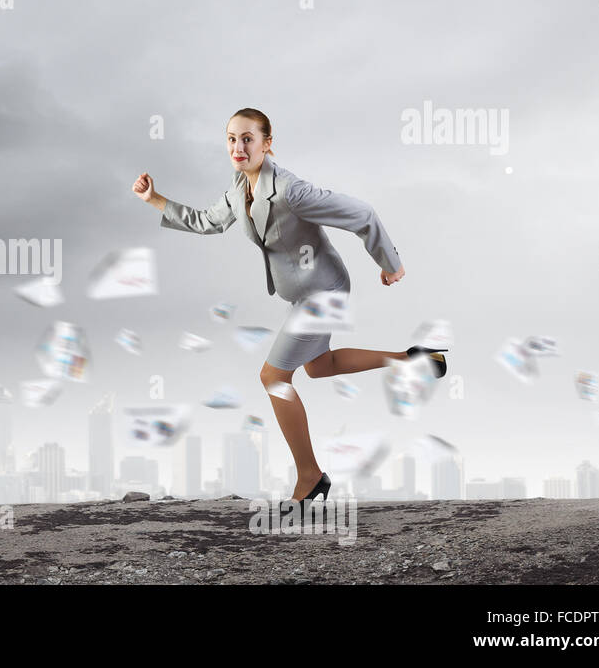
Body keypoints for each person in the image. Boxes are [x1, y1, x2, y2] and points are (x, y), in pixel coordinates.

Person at [132, 107, 447, 505]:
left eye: (248, 139)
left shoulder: (289, 190)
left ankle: (310, 475)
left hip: (323, 291)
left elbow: (362, 214)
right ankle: (413, 360)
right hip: (302, 294)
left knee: (273, 377)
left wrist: (391, 265)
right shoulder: (238, 188)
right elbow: (205, 222)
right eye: (231, 139)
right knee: (319, 367)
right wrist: (153, 198)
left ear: (267, 143)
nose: (238, 147)